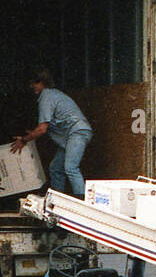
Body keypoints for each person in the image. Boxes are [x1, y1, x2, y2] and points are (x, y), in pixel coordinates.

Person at [12, 69, 94, 198]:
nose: (32, 86)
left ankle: (83, 201)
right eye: (32, 83)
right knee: (55, 168)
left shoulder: (46, 96)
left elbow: (42, 129)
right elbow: (44, 128)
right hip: (70, 135)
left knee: (70, 167)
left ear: (43, 82)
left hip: (77, 132)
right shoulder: (51, 95)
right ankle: (56, 200)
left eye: (35, 83)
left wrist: (23, 140)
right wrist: (29, 134)